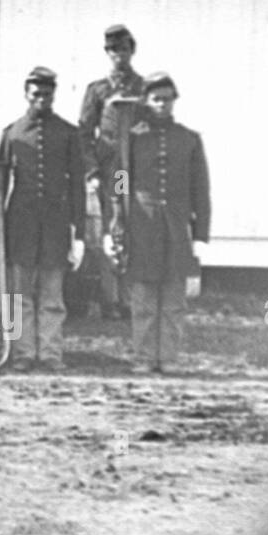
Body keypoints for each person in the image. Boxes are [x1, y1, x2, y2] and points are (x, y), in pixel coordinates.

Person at [105, 72, 210, 375]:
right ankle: (144, 357)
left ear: (174, 100)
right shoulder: (133, 140)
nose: (162, 104)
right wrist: (118, 220)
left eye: (167, 99)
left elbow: (200, 188)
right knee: (144, 298)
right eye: (156, 99)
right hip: (142, 225)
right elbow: (120, 184)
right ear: (146, 102)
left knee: (174, 298)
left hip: (177, 227)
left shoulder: (189, 139)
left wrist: (200, 234)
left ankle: (169, 358)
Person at [0, 67, 86, 372]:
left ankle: (50, 353)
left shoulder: (68, 133)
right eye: (36, 94)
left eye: (47, 94)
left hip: (56, 225)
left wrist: (80, 233)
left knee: (51, 295)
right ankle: (23, 353)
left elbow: (77, 186)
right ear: (26, 95)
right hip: (20, 223)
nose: (41, 100)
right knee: (20, 295)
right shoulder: (13, 133)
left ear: (53, 95)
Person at [79, 23, 145, 320]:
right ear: (107, 53)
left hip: (136, 171)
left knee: (133, 228)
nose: (119, 54)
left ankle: (131, 298)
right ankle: (110, 299)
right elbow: (84, 132)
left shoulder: (144, 88)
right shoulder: (98, 90)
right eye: (113, 49)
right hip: (111, 172)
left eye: (124, 48)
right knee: (110, 227)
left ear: (132, 50)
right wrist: (92, 169)